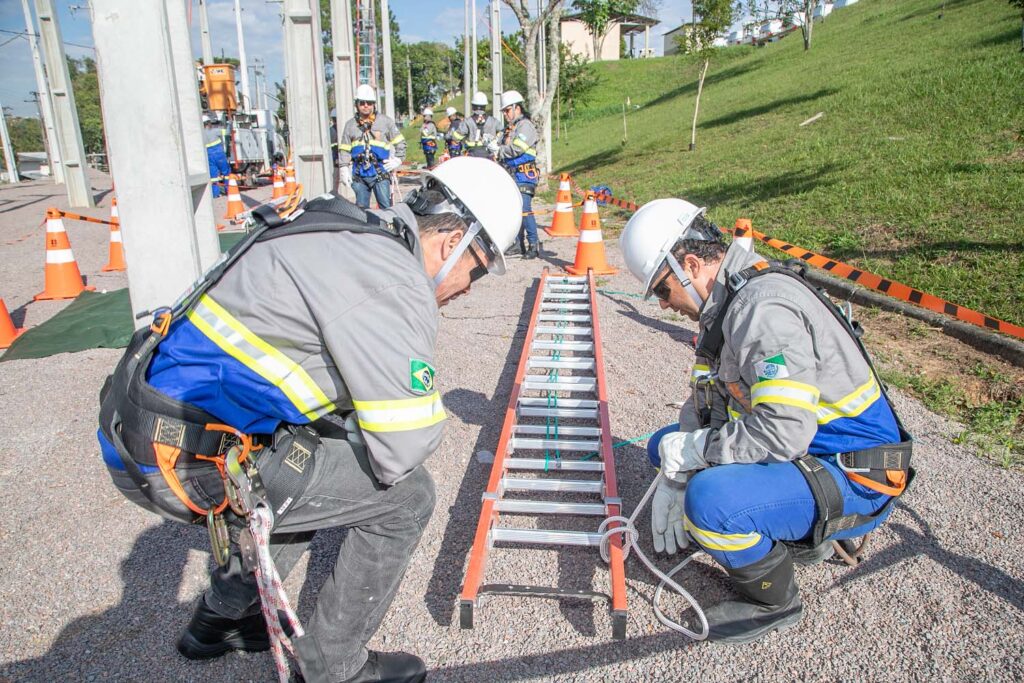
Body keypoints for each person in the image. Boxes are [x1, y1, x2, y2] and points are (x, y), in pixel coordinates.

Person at [97, 157, 523, 683]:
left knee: (307, 467)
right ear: (451, 240)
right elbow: (403, 447)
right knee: (406, 497)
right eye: (477, 270)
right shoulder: (393, 277)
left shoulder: (346, 229)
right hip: (185, 457)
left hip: (145, 429)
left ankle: (221, 620)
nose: (467, 289)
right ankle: (333, 668)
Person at [618, 199, 913, 644]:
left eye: (662, 290)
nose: (663, 306)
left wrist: (698, 456)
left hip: (856, 472)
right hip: (813, 453)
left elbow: (784, 431)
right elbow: (709, 401)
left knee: (710, 501)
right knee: (664, 445)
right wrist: (681, 451)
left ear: (691, 266)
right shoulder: (729, 303)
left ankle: (774, 602)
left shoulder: (762, 311)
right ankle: (777, 524)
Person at [337, 84, 406, 209]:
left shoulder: (385, 122)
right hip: (359, 176)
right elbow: (344, 149)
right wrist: (343, 168)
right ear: (356, 104)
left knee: (387, 210)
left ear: (374, 104)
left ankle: (388, 228)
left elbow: (400, 142)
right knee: (361, 212)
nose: (366, 106)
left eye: (369, 103)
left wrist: (398, 159)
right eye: (362, 103)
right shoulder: (350, 125)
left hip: (380, 173)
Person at [490, 90, 540, 260]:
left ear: (516, 108)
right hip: (511, 175)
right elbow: (501, 145)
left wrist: (500, 150)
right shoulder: (509, 129)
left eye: (507, 111)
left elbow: (517, 149)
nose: (505, 114)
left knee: (524, 210)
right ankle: (518, 244)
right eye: (503, 112)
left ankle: (534, 245)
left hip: (524, 175)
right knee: (514, 211)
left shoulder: (525, 126)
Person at [464, 92, 500, 160]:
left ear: (473, 106)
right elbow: (502, 132)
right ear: (485, 106)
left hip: (472, 154)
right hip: (489, 155)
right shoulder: (494, 121)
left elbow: (457, 136)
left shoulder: (467, 121)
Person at [203, 114, 230, 198]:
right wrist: (230, 124)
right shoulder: (214, 131)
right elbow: (227, 132)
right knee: (226, 173)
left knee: (213, 176)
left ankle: (215, 194)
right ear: (208, 123)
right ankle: (229, 190)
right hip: (219, 155)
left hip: (209, 156)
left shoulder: (201, 134)